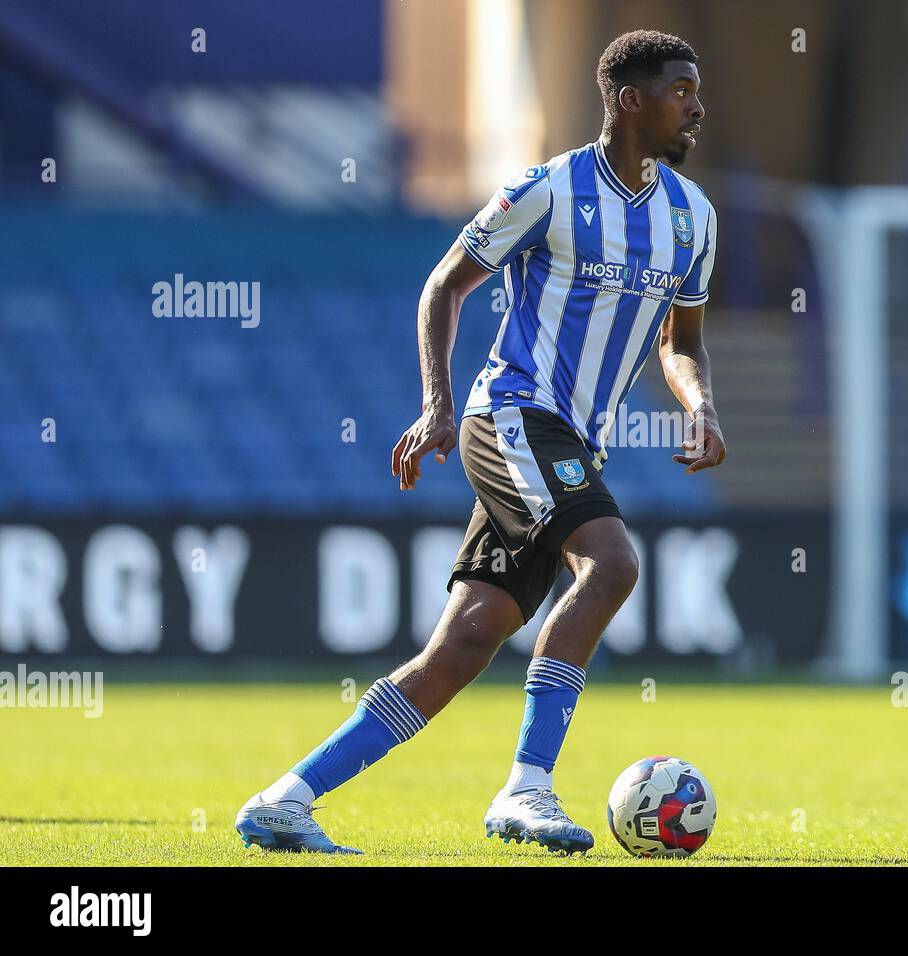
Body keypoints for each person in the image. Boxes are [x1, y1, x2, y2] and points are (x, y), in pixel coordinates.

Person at [235, 28, 724, 855]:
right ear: (628, 100)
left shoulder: (694, 217)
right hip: (511, 417)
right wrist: (438, 404)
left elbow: (682, 341)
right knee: (612, 564)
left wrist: (699, 404)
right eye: (681, 89)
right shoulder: (547, 190)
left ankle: (284, 799)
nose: (698, 106)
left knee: (461, 645)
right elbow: (446, 285)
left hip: (573, 442)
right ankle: (527, 789)